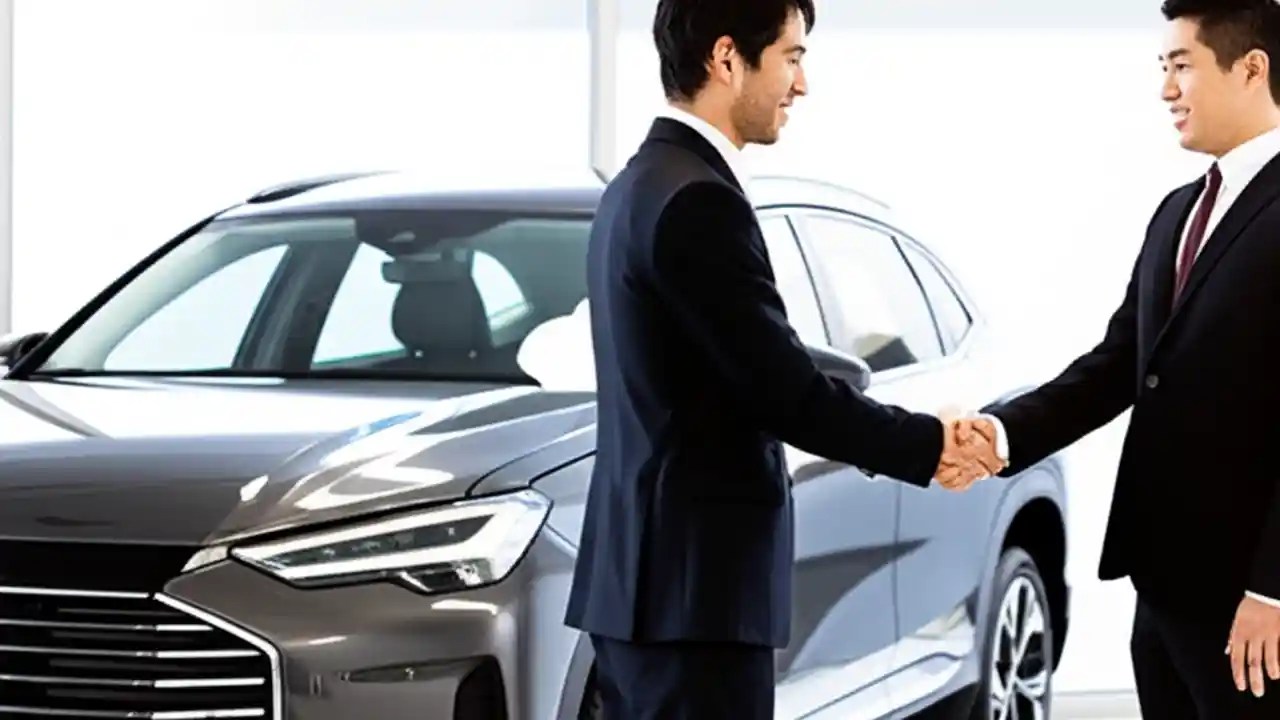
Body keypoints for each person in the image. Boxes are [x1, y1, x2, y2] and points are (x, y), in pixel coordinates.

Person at [562, 1, 1005, 718]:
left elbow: (732, 370)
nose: (801, 85)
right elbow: (782, 391)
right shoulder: (698, 201)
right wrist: (929, 444)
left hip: (649, 586)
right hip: (694, 597)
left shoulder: (639, 185)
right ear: (728, 58)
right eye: (792, 57)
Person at [952, 0, 1280, 715]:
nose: (1166, 89)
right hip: (1161, 592)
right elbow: (1119, 363)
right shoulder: (1177, 211)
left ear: (1251, 68)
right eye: (1162, 68)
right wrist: (1001, 436)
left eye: (1181, 66)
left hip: (1250, 607)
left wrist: (1274, 588)